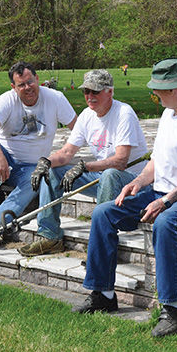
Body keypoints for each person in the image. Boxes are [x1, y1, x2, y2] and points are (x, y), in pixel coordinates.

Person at [71, 58, 177, 337]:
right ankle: (103, 294)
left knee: (166, 222)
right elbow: (157, 161)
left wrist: (165, 202)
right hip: (159, 190)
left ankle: (174, 309)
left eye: (158, 90)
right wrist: (138, 183)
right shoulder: (170, 112)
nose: (155, 95)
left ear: (174, 89)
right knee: (104, 213)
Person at [24, 69, 148, 256]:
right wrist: (45, 162)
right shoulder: (86, 116)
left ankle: (100, 246)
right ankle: (49, 236)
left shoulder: (124, 113)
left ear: (110, 92)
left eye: (95, 91)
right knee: (53, 171)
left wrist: (84, 167)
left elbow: (121, 161)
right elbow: (66, 153)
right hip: (103, 179)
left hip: (132, 184)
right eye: (86, 92)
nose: (89, 96)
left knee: (110, 174)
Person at [0, 61, 77, 245]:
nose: (27, 87)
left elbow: (77, 128)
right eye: (21, 85)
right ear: (13, 87)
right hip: (4, 162)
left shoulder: (55, 98)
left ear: (37, 78)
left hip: (32, 167)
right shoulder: (7, 100)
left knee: (39, 177)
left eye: (30, 81)